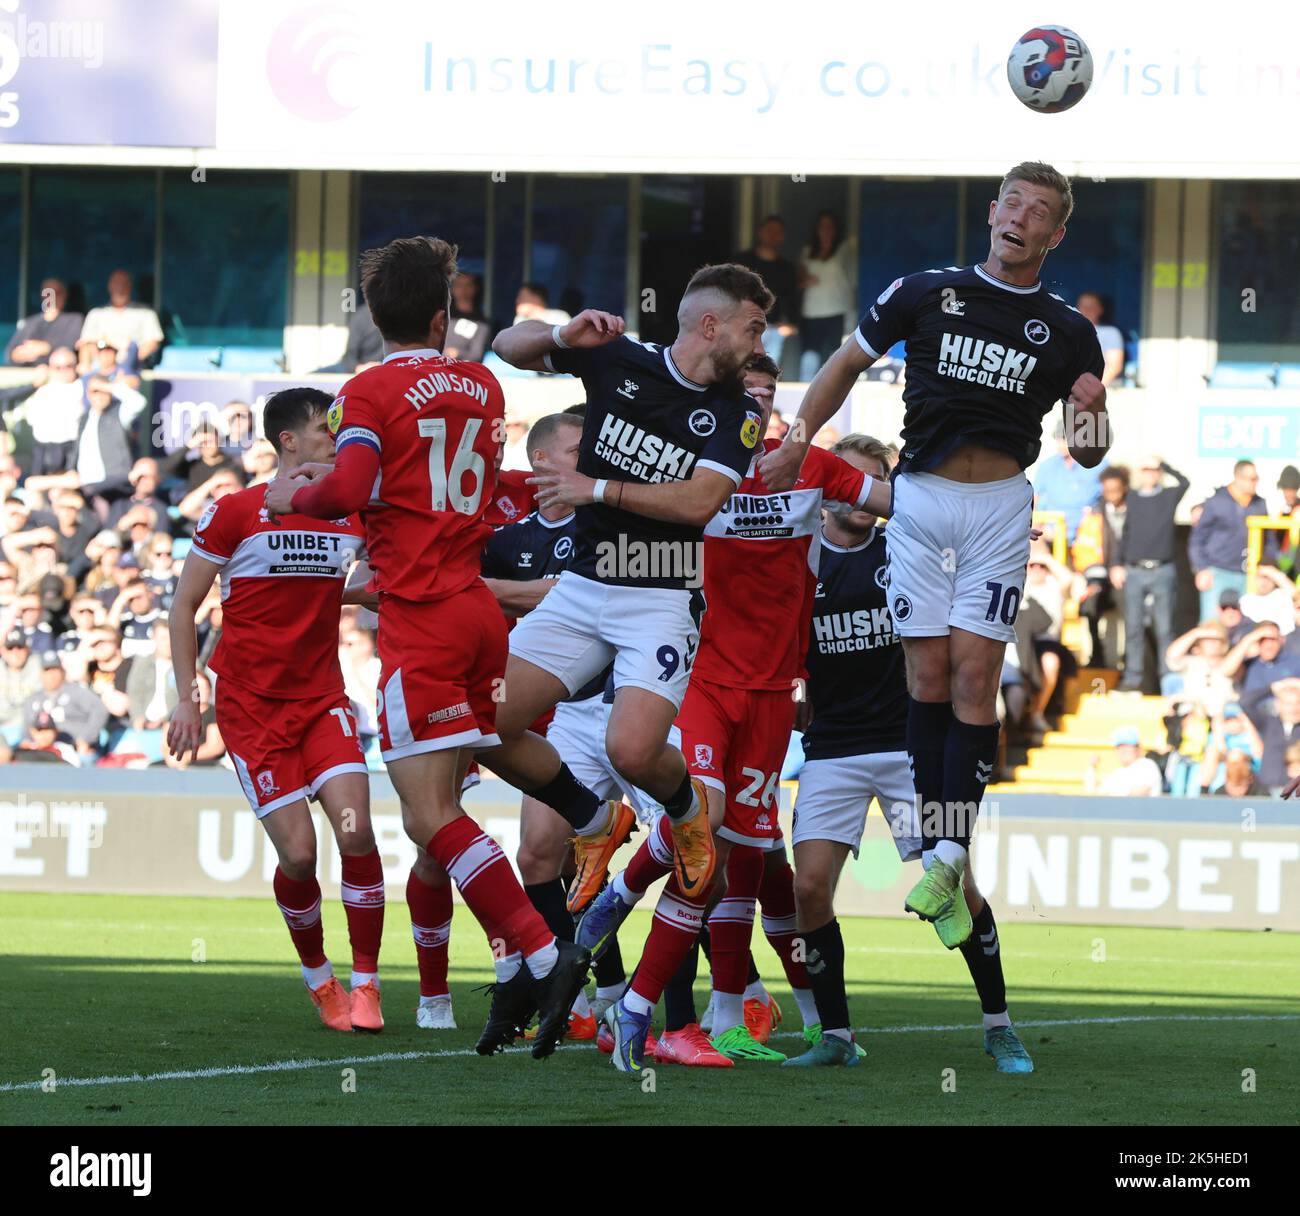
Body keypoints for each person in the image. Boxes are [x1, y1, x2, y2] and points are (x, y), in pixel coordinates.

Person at [760, 161, 1108, 949]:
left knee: (977, 676)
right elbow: (843, 363)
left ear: (1056, 234)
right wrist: (795, 442)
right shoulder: (922, 290)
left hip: (997, 506)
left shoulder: (1069, 331)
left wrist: (1096, 414)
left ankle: (948, 850)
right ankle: (942, 844)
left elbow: (1086, 456)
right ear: (993, 212)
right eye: (1011, 201)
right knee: (926, 674)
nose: (1020, 216)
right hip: (919, 497)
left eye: (1039, 210)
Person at [267, 237, 590, 1060]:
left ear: (375, 317)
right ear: (444, 316)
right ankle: (592, 818)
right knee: (488, 739)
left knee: (428, 814)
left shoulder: (367, 389)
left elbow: (348, 486)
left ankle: (545, 955)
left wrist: (294, 491)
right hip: (478, 607)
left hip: (422, 615)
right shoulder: (480, 382)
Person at [488, 261, 770, 1071]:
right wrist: (559, 335)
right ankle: (596, 821)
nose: (760, 344)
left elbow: (696, 506)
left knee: (632, 749)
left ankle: (682, 814)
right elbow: (507, 347)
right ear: (710, 325)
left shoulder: (734, 414)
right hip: (583, 589)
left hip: (659, 598)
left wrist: (592, 486)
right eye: (752, 327)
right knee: (480, 723)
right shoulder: (618, 358)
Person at [577, 360, 878, 1067]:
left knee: (732, 858)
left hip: (774, 696)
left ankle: (685, 1015)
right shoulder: (692, 471)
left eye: (769, 396)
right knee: (703, 827)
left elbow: (894, 499)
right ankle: (620, 903)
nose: (760, 406)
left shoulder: (811, 468)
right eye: (748, 393)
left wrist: (989, 522)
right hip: (702, 681)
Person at [781, 433, 1033, 1071]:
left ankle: (999, 1025)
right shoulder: (798, 555)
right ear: (830, 488)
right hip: (832, 748)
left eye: (877, 484)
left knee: (956, 889)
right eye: (853, 483)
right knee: (807, 890)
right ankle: (836, 1037)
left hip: (907, 749)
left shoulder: (909, 549)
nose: (865, 497)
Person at [168, 387, 384, 1034]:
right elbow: (183, 607)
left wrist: (361, 592)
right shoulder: (235, 511)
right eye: (327, 429)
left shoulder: (349, 514)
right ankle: (321, 978)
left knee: (355, 830)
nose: (337, 438)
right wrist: (188, 697)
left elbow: (341, 579)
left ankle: (369, 984)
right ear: (289, 441)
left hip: (320, 700)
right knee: (298, 854)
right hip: (252, 710)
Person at [1112, 456, 1191, 690]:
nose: (1150, 474)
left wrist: (1164, 464)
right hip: (1135, 570)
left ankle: (1167, 677)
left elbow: (1185, 483)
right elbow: (1123, 534)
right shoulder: (1132, 498)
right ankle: (1133, 678)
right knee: (1133, 627)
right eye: (1146, 470)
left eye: (1154, 470)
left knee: (1165, 627)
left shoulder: (1168, 496)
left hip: (1162, 568)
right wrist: (1117, 563)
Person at [1189, 460, 1274, 621]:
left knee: (1247, 623)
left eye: (1256, 478)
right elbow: (1197, 538)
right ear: (1238, 478)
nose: (1255, 482)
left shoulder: (1259, 504)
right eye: (1251, 478)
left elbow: (1268, 540)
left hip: (1249, 575)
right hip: (1218, 572)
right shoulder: (1216, 502)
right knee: (1212, 622)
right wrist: (1201, 568)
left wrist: (1266, 569)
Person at [735, 215, 798, 369]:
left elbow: (791, 298)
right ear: (761, 232)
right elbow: (732, 291)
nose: (772, 235)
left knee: (767, 373)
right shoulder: (742, 260)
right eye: (769, 230)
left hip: (774, 329)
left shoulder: (786, 268)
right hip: (744, 325)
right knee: (741, 371)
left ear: (782, 237)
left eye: (778, 232)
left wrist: (791, 324)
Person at [798, 211, 855, 381]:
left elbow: (853, 279)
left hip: (837, 309)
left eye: (830, 226)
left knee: (835, 352)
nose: (826, 230)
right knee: (810, 353)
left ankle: (834, 385)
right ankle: (804, 389)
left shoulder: (845, 250)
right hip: (811, 310)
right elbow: (798, 279)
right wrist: (805, 280)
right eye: (822, 226)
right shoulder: (807, 251)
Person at [24, 650, 108, 761]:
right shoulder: (33, 699)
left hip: (75, 748)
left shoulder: (76, 691)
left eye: (55, 669)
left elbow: (100, 710)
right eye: (47, 670)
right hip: (45, 750)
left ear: (62, 671)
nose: (51, 674)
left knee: (86, 760)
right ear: (41, 673)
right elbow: (27, 734)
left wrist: (85, 739)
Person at [77, 270, 164, 371]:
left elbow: (153, 343)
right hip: (100, 369)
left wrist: (127, 363)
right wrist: (89, 367)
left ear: (130, 287)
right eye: (116, 283)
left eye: (124, 283)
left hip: (133, 368)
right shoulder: (96, 313)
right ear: (109, 286)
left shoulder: (145, 313)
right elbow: (86, 344)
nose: (120, 287)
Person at [1031, 428, 1103, 543]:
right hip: (1052, 534)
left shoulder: (1098, 465)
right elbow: (1036, 498)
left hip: (1089, 534)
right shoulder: (1048, 466)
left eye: (1064, 439)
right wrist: (1035, 525)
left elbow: (1109, 497)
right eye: (1058, 439)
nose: (1060, 444)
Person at [23, 348, 85, 476]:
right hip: (43, 450)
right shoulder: (42, 392)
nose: (63, 371)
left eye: (67, 366)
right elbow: (32, 419)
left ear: (75, 366)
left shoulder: (83, 388)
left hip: (71, 450)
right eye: (58, 367)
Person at [4, 278, 84, 367]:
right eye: (47, 293)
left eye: (56, 293)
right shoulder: (30, 322)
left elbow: (71, 347)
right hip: (25, 372)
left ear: (64, 295)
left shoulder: (74, 320)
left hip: (57, 373)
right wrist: (19, 354)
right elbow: (9, 352)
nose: (51, 297)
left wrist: (46, 348)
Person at [1084, 726, 1163, 796]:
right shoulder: (1117, 773)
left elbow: (1139, 794)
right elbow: (1094, 794)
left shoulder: (1147, 765)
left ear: (1138, 748)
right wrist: (1092, 767)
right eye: (1119, 747)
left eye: (1127, 746)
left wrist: (1111, 794)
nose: (1122, 750)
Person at [1074, 291, 1126, 386]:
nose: (1086, 310)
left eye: (1091, 307)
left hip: (1100, 390)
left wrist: (1093, 389)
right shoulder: (1069, 331)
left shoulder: (1111, 332)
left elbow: (1115, 366)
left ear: (1100, 309)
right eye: (1083, 306)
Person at [443, 272, 492, 363]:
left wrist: (458, 353)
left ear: (475, 289)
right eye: (459, 285)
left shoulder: (481, 322)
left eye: (468, 285)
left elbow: (477, 354)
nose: (463, 290)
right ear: (451, 289)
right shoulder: (441, 317)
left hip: (464, 369)